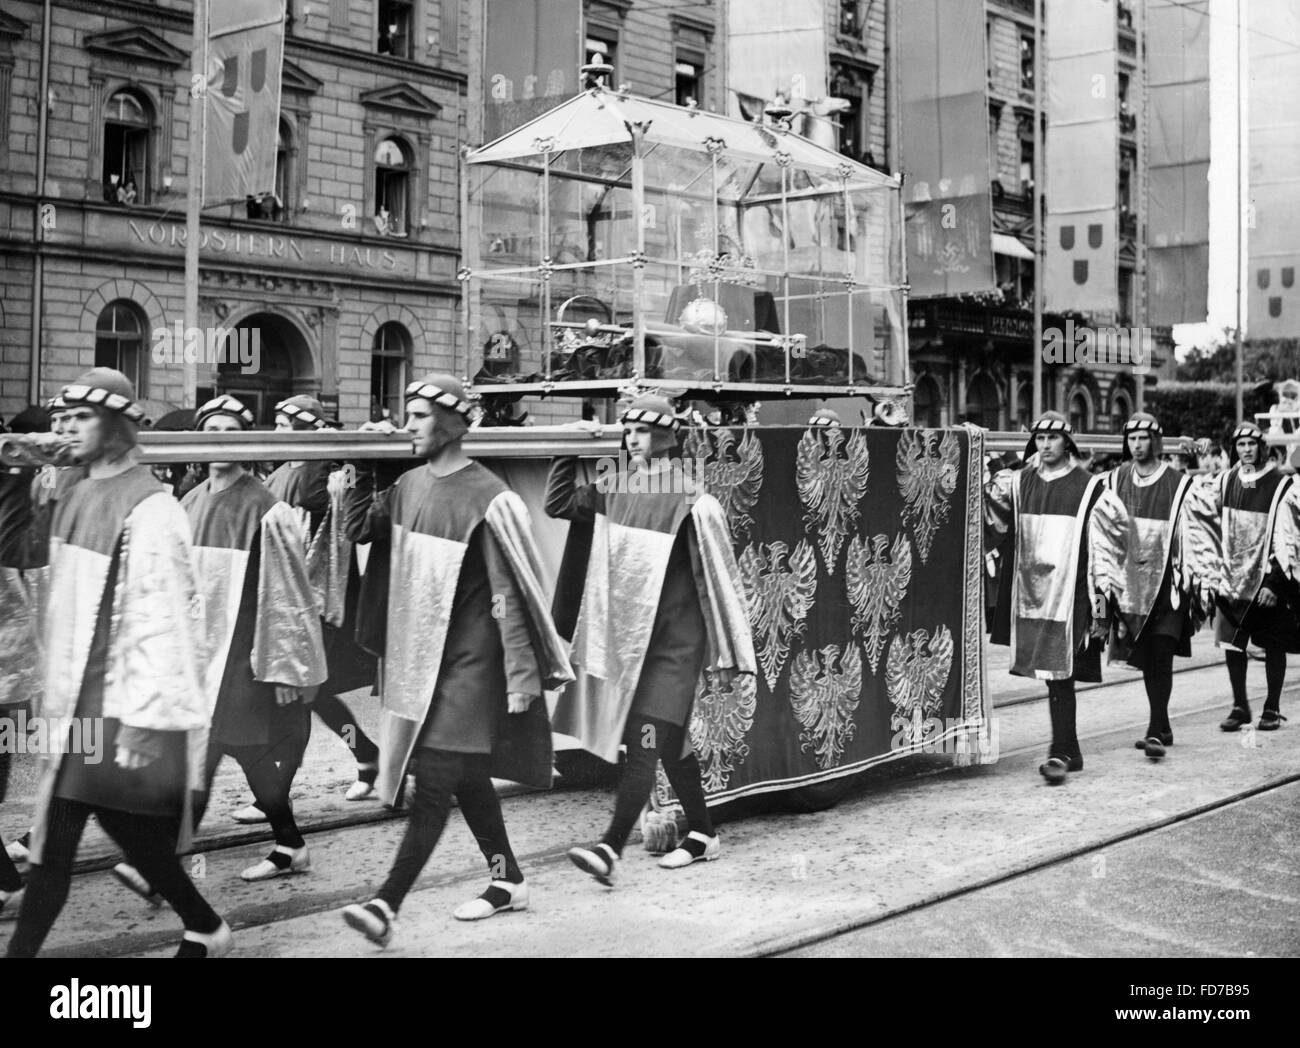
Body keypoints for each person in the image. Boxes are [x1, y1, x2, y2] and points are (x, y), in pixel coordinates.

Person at [338, 375, 573, 947]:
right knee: (467, 778)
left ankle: (385, 904)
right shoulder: (408, 485)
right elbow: (353, 531)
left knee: (435, 779)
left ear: (452, 422)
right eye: (408, 415)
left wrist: (521, 676)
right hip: (425, 661)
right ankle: (507, 879)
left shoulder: (490, 495)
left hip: (474, 663)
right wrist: (363, 466)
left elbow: (509, 592)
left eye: (418, 415)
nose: (408, 424)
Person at [5, 368, 230, 958]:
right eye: (61, 419)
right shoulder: (71, 491)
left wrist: (144, 718)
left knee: (79, 838)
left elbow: (165, 620)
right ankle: (205, 925)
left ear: (119, 424)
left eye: (81, 418)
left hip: (119, 704)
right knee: (81, 838)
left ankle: (205, 925)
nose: (66, 429)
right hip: (76, 704)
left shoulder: (153, 506)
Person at [111, 396, 328, 903]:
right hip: (201, 651)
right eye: (213, 429)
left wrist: (284, 668)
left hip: (244, 655)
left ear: (247, 440)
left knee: (204, 752)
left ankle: (160, 863)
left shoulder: (266, 508)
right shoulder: (188, 502)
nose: (221, 438)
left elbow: (289, 595)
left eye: (233, 429)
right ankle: (290, 843)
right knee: (246, 754)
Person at [545, 393, 756, 884]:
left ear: (664, 435)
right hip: (634, 647)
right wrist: (565, 446)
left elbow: (720, 580)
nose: (631, 438)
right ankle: (704, 835)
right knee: (669, 745)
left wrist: (725, 651)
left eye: (641, 430)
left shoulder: (692, 500)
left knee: (643, 741)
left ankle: (609, 848)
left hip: (677, 648)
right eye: (627, 430)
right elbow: (556, 503)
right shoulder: (613, 486)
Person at [250, 395, 381, 812]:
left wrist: (318, 448)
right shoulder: (283, 470)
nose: (276, 433)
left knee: (303, 695)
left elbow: (312, 509)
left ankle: (274, 794)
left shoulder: (321, 470)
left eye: (284, 426)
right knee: (312, 694)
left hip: (310, 598)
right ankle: (366, 755)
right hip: (282, 596)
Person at [985, 412, 1106, 784]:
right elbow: (990, 519)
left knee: (1061, 673)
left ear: (1067, 443)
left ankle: (1062, 751)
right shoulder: (1019, 482)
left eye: (1053, 438)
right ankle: (1070, 749)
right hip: (1031, 592)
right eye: (1039, 438)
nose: (1046, 444)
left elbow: (1105, 544)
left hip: (1071, 593)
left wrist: (1101, 599)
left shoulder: (1090, 486)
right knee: (1054, 676)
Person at [1088, 414, 1208, 760]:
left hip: (1168, 584)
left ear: (1155, 441)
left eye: (1143, 438)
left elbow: (1197, 527)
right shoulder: (1114, 480)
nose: (1136, 445)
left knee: (1161, 652)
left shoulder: (1178, 482)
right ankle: (1163, 723)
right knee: (1145, 656)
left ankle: (1155, 729)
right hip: (1129, 586)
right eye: (1131, 438)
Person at [1190, 422, 1297, 733]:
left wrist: (1276, 583)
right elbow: (1202, 516)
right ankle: (1240, 706)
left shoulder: (1283, 485)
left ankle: (1272, 707)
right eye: (1240, 445)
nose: (1246, 450)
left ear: (1262, 448)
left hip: (1266, 585)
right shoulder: (1228, 481)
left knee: (1273, 646)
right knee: (1231, 645)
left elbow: (1292, 538)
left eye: (1251, 444)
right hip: (1232, 583)